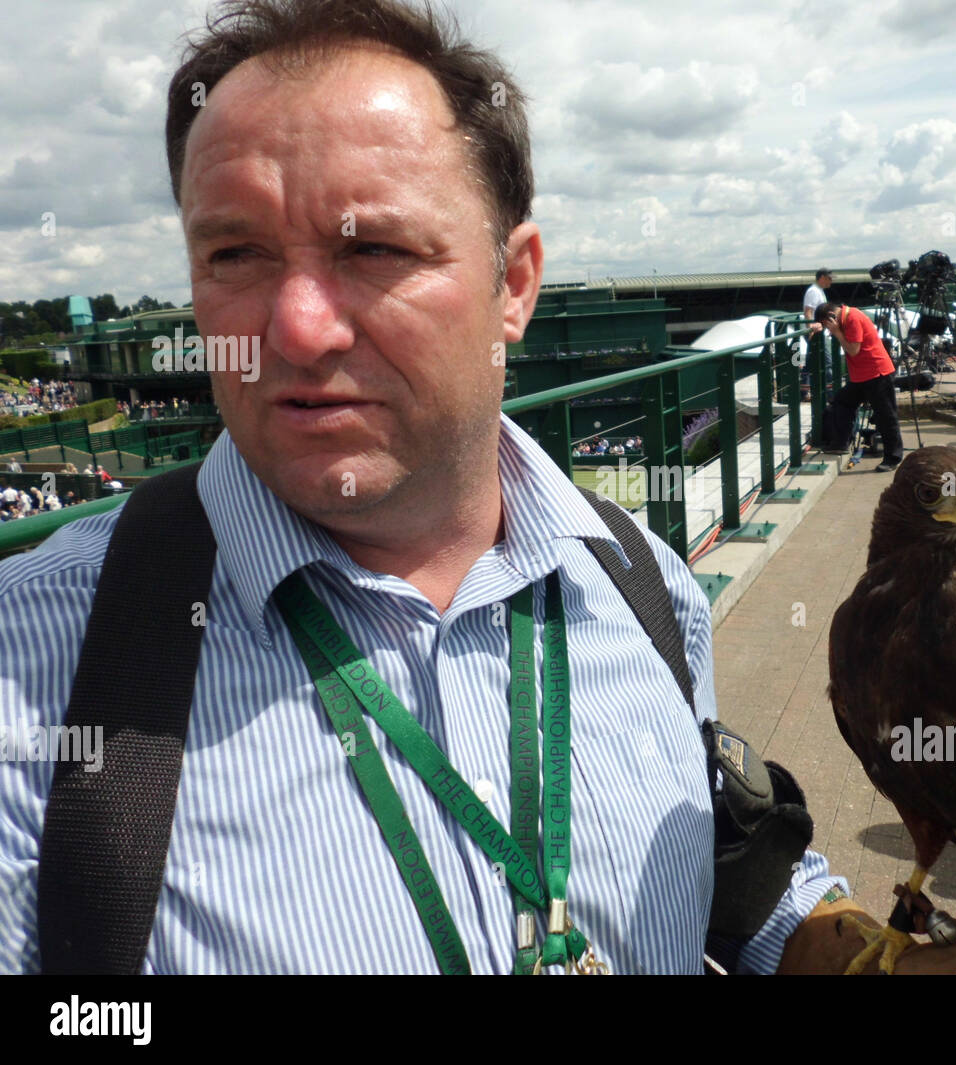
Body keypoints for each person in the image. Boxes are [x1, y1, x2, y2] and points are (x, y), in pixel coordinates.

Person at [0, 0, 859, 977]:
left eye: (373, 249)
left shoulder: (644, 587)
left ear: (514, 285)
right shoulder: (35, 668)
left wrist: (827, 940)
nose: (297, 329)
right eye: (235, 253)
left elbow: (696, 855)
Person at [810, 301, 904, 471]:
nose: (828, 328)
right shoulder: (844, 318)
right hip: (862, 376)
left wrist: (837, 332)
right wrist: (819, 327)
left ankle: (893, 458)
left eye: (827, 324)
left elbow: (853, 349)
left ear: (832, 317)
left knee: (886, 416)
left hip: (877, 373)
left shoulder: (852, 317)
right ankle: (841, 442)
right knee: (842, 401)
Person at [802, 268, 834, 399]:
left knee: (810, 362)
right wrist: (811, 330)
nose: (831, 282)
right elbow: (808, 311)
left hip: (818, 330)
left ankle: (803, 391)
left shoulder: (817, 290)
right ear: (822, 277)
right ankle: (831, 394)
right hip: (816, 331)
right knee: (827, 362)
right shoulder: (814, 291)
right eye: (829, 278)